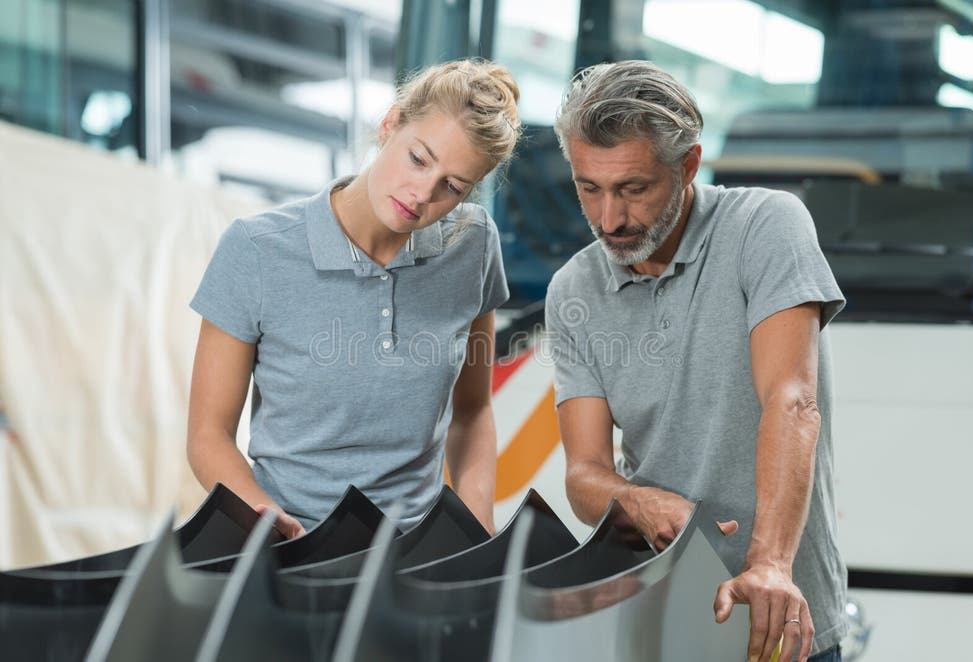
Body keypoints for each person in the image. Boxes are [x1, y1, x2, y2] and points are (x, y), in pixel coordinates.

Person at [544, 60, 847, 662]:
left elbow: (792, 400)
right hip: (659, 626)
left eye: (633, 189)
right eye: (589, 188)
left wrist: (768, 568)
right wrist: (636, 499)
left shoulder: (766, 226)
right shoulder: (572, 290)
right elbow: (583, 475)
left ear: (687, 165)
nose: (610, 220)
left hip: (783, 624)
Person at [186, 59, 521, 540]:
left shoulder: (472, 245)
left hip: (413, 553)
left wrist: (473, 528)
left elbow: (471, 413)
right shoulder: (256, 249)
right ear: (390, 124)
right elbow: (207, 435)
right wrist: (262, 517)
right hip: (285, 542)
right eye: (419, 159)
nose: (423, 194)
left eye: (453, 186)